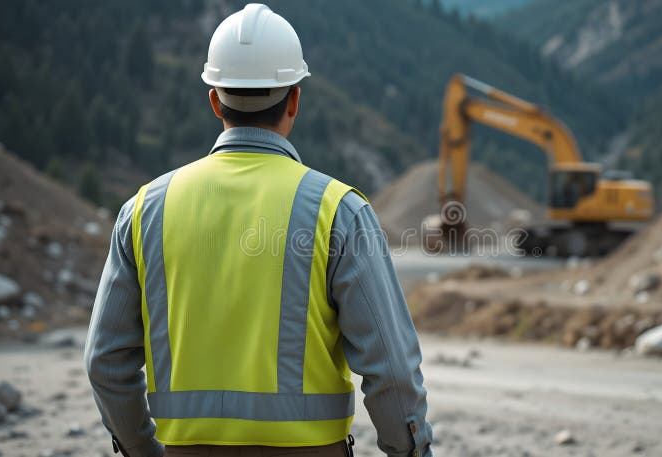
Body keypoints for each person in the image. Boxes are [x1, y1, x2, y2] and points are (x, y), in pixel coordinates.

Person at [84, 4, 433, 457]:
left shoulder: (144, 210)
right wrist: (412, 451)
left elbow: (105, 363)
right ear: (295, 100)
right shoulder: (339, 211)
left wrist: (143, 450)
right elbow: (392, 372)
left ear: (214, 100)